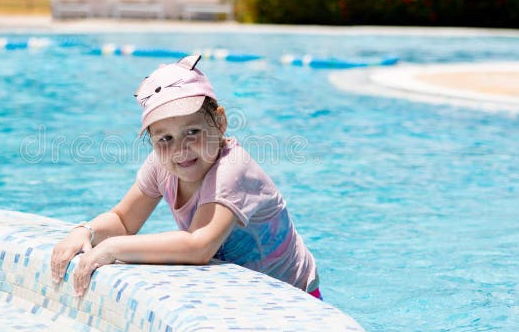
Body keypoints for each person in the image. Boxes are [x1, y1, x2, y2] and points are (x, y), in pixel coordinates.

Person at [51, 55, 320, 299]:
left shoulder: (232, 171)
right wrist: (85, 231)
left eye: (192, 132)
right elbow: (122, 219)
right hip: (244, 292)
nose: (180, 149)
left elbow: (198, 245)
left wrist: (114, 248)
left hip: (294, 297)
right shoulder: (161, 164)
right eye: (165, 138)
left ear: (220, 122)